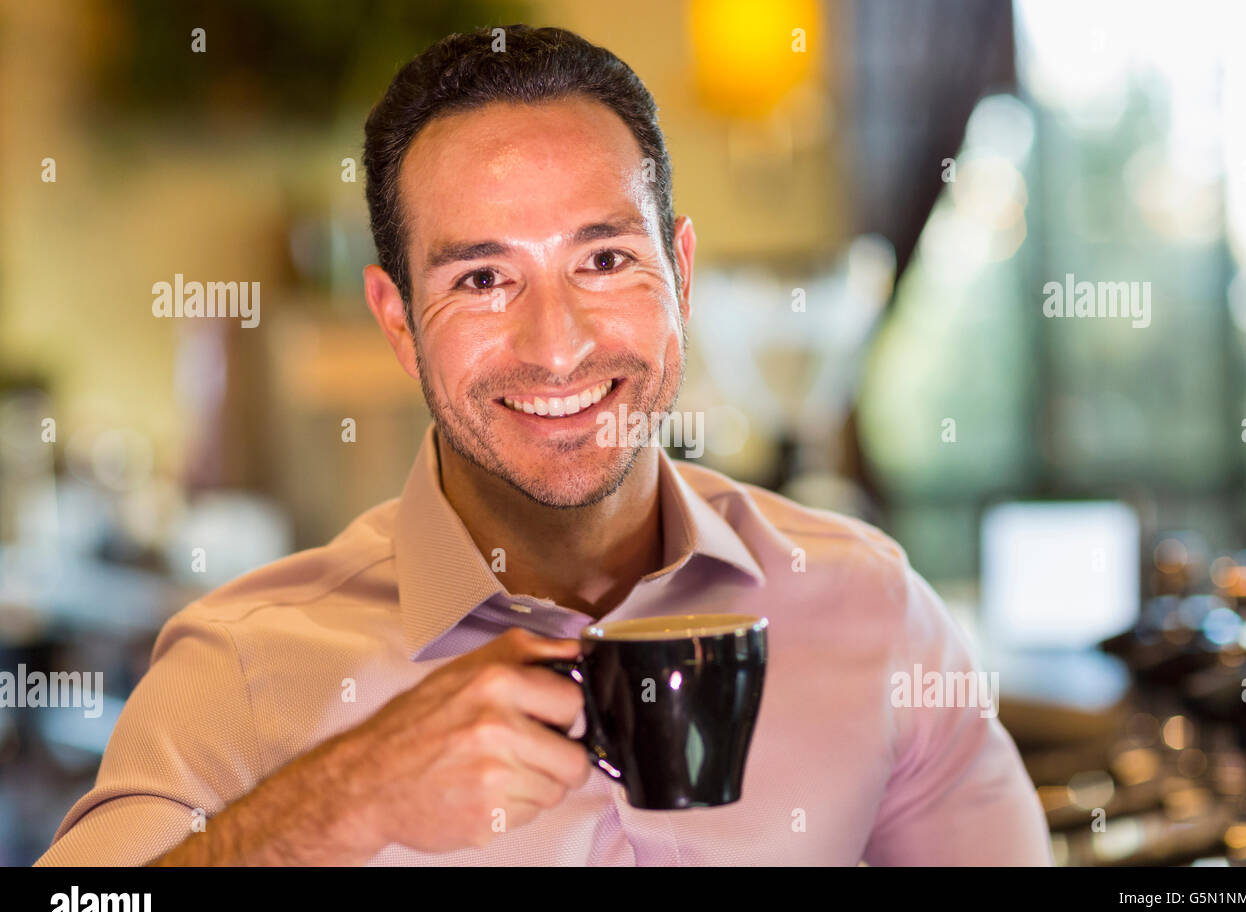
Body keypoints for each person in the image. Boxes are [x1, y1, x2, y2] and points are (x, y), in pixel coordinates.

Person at [37, 24, 1051, 866]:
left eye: (604, 259)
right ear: (397, 322)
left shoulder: (871, 607)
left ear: (680, 274)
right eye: (482, 279)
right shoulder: (245, 665)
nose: (556, 345)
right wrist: (330, 807)